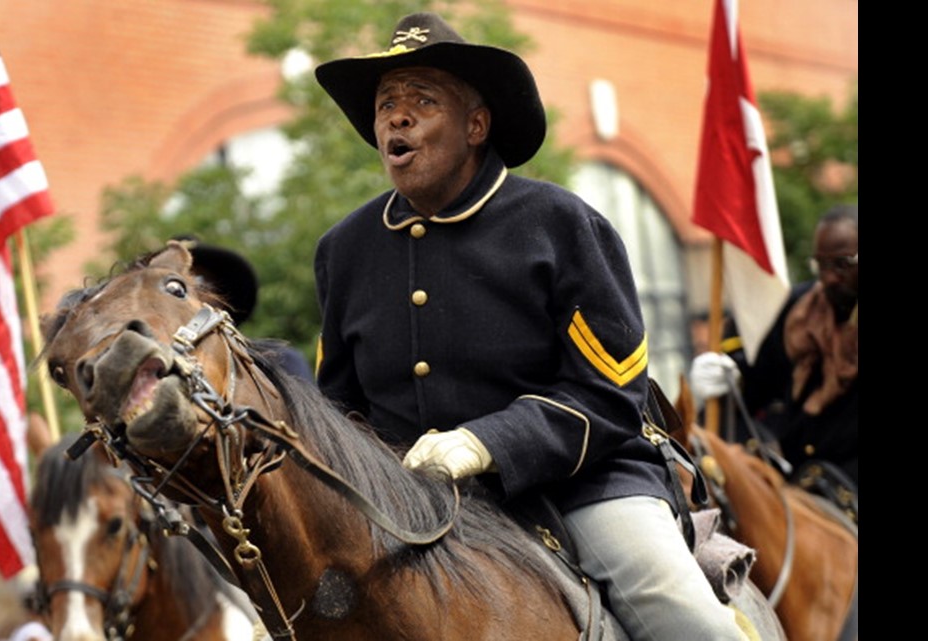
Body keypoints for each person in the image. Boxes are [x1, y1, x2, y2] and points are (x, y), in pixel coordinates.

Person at [312, 12, 746, 641]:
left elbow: (609, 394)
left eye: (422, 101)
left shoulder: (559, 223)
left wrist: (486, 442)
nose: (396, 119)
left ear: (476, 126)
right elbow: (337, 409)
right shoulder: (345, 249)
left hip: (583, 484)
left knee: (681, 612)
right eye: (386, 106)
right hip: (408, 503)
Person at [690, 204, 858, 488]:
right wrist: (731, 376)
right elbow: (762, 374)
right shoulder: (800, 309)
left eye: (842, 264)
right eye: (822, 265)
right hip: (801, 478)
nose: (829, 277)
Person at [174, 234, 315, 382]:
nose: (185, 294)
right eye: (174, 287)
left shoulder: (277, 363)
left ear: (222, 299)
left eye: (198, 281)